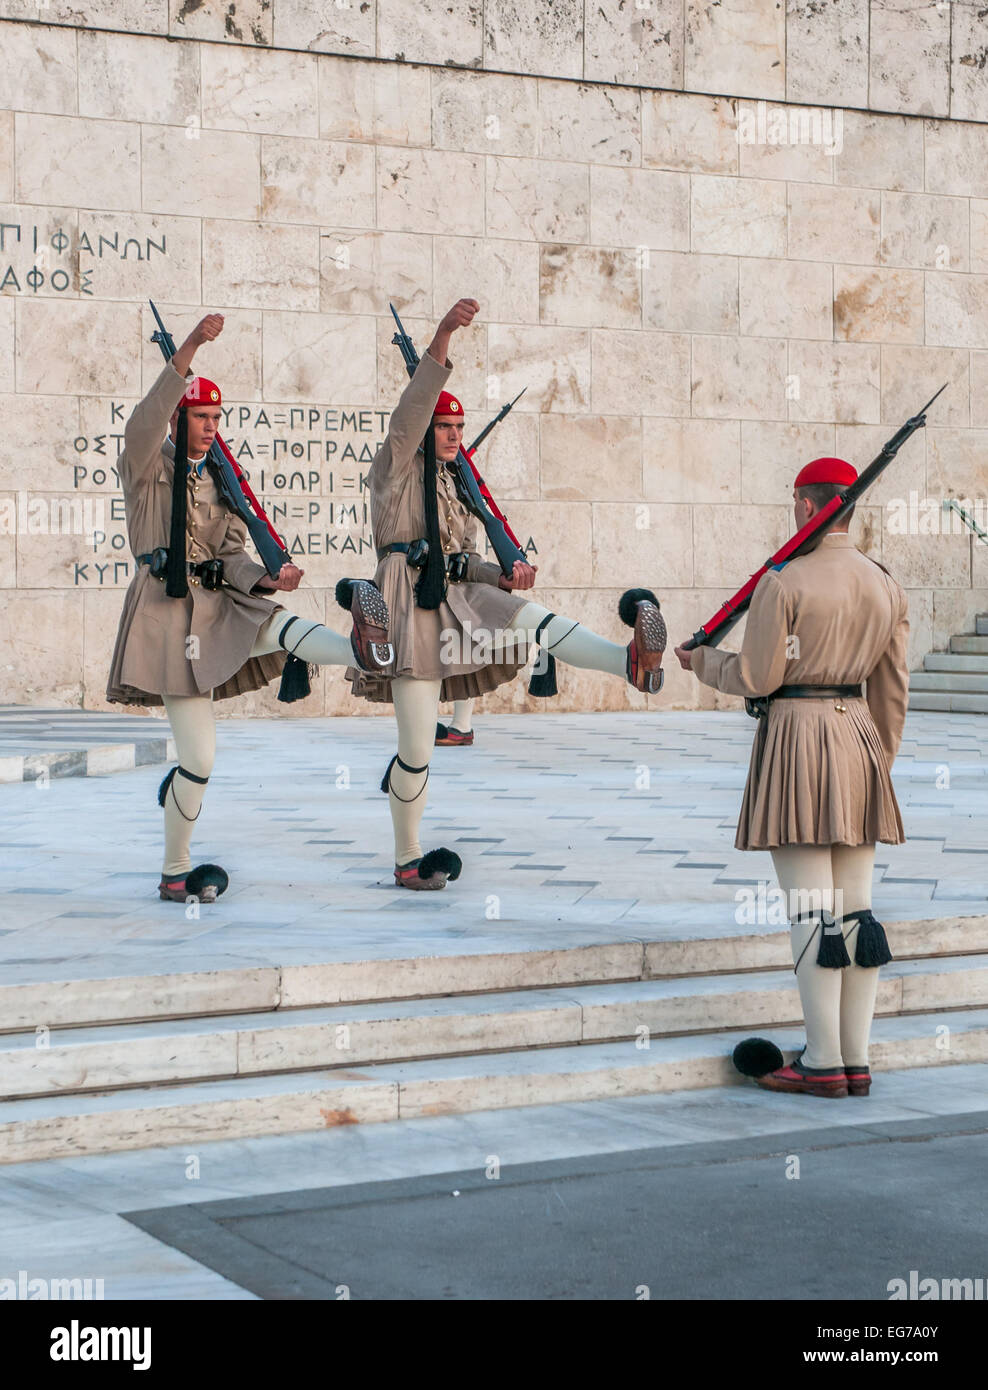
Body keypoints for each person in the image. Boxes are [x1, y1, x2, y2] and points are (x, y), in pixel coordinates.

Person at [345, 297, 666, 890]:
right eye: (443, 427)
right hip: (406, 600)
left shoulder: (453, 481)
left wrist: (505, 573)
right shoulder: (393, 467)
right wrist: (443, 336)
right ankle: (408, 856)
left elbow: (466, 555)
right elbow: (411, 410)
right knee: (417, 748)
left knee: (533, 617)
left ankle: (629, 661)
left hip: (460, 590)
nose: (452, 436)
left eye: (459, 428)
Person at [106, 314, 392, 903]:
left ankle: (360, 648)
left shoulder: (219, 483)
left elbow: (231, 554)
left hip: (220, 602)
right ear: (181, 415)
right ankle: (175, 869)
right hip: (166, 614)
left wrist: (267, 574)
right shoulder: (146, 467)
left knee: (282, 626)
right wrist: (186, 353)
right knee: (200, 760)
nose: (210, 429)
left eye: (216, 420)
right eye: (200, 417)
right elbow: (144, 422)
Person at [674, 457, 910, 1098]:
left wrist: (703, 663)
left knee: (811, 905)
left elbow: (756, 677)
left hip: (799, 735)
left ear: (808, 508)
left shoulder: (784, 582)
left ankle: (823, 1061)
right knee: (857, 910)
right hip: (860, 736)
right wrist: (876, 763)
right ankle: (856, 1060)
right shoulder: (885, 583)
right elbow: (892, 691)